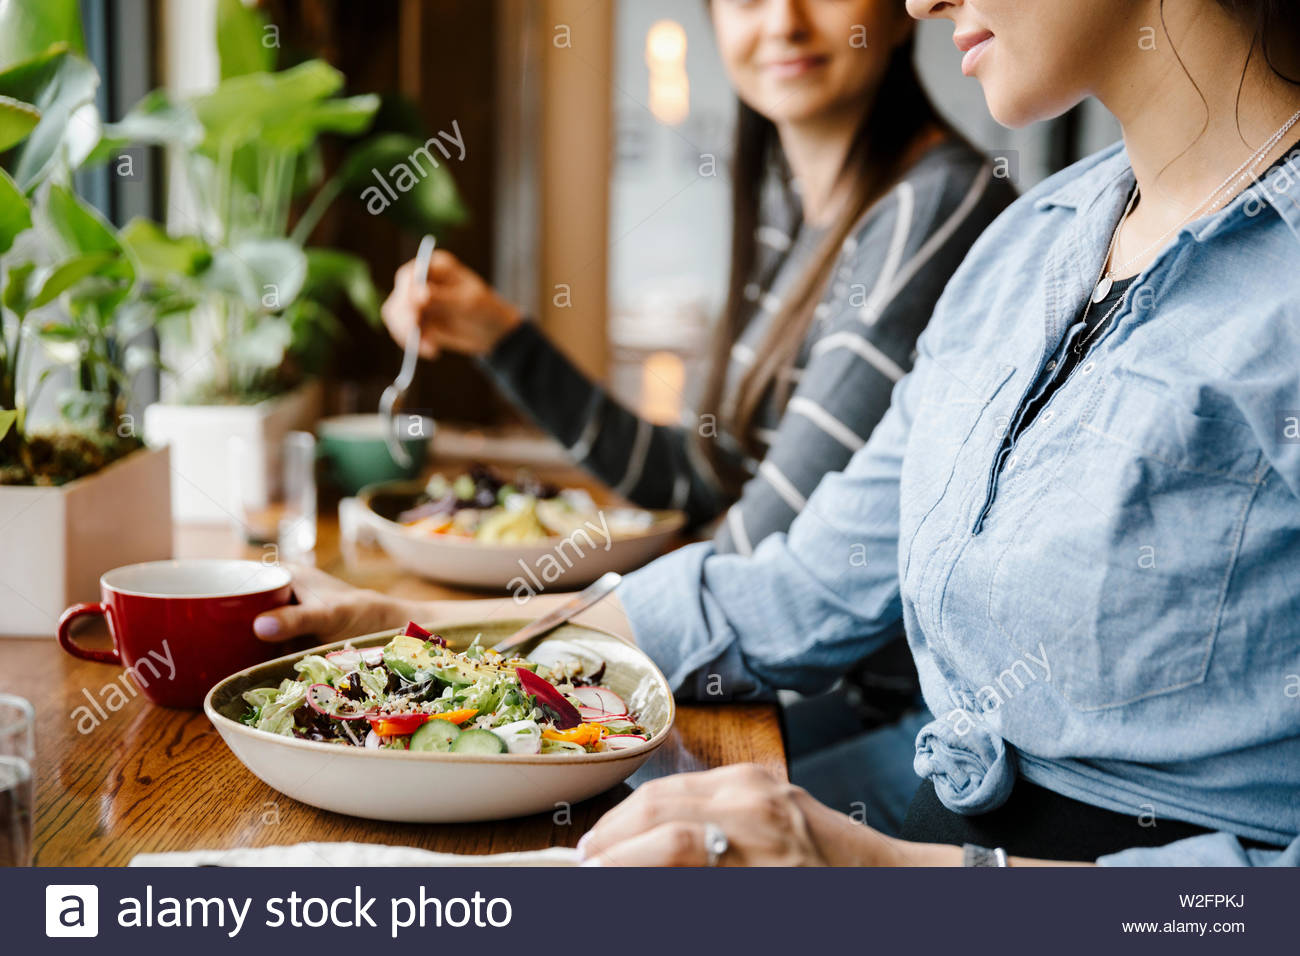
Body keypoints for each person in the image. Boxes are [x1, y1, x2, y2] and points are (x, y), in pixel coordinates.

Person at [259, 0, 1300, 866]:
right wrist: (437, 641)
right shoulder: (1025, 251)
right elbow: (800, 584)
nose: (920, 1)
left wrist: (884, 875)